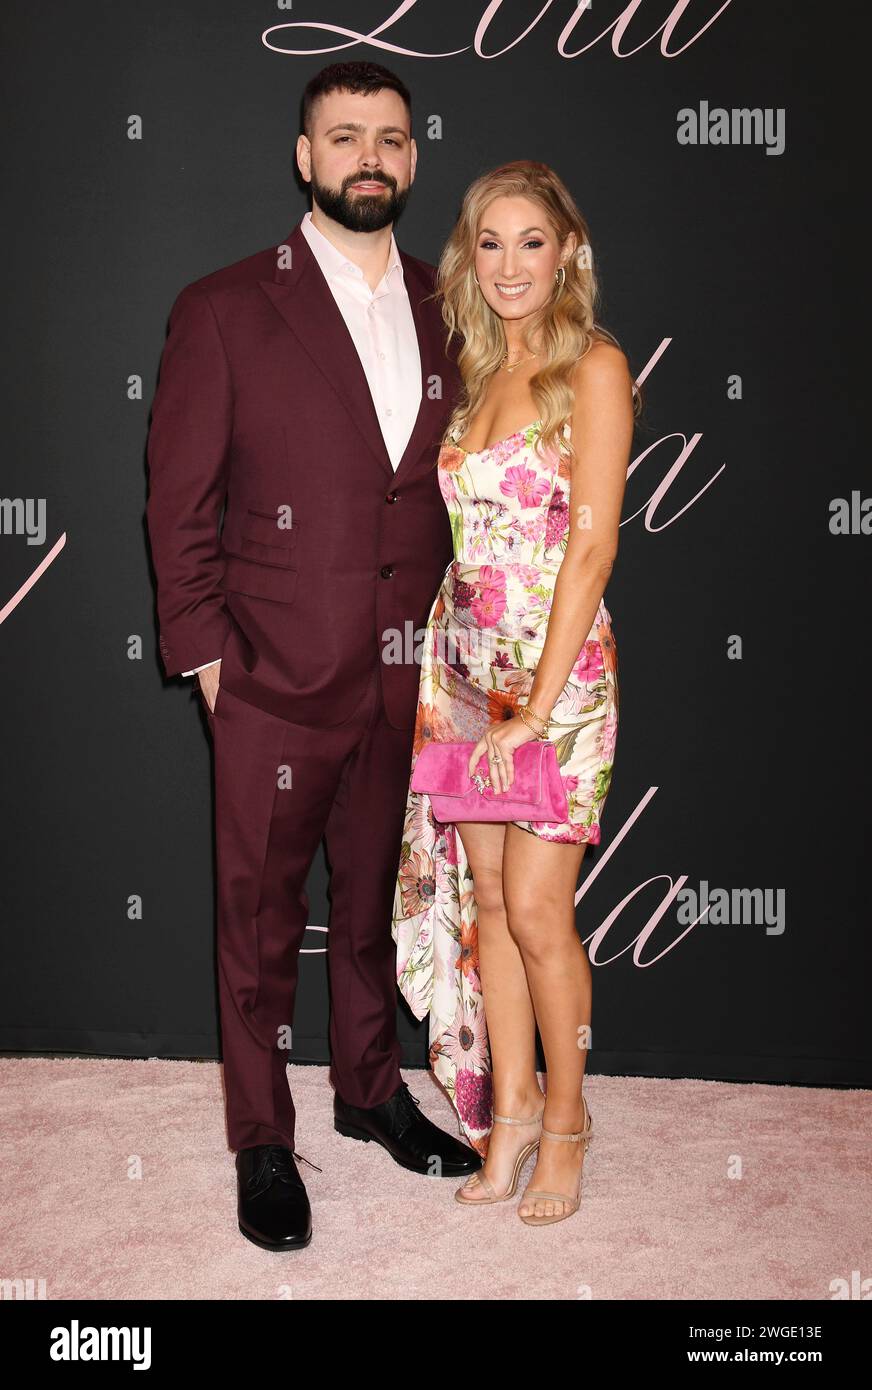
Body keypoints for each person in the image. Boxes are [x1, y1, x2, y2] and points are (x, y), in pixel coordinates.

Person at [145, 60, 481, 1253]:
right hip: (272, 678)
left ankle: (369, 1091)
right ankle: (260, 1139)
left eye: (389, 137)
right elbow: (178, 503)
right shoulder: (229, 305)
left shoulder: (455, 305)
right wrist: (208, 660)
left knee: (376, 909)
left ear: (413, 155)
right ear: (305, 157)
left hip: (408, 675)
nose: (368, 159)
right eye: (344, 138)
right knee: (260, 916)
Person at [392, 161, 636, 1225]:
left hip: (557, 678)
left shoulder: (592, 364)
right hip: (463, 675)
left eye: (529, 241)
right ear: (467, 256)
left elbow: (589, 551)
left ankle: (570, 1123)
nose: (507, 264)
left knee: (540, 910)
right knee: (489, 908)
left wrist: (538, 706)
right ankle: (511, 1115)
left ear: (565, 251)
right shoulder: (479, 368)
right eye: (488, 242)